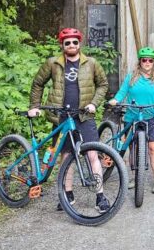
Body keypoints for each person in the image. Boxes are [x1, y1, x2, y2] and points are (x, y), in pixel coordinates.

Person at [28, 27, 110, 213]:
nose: (71, 45)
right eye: (67, 43)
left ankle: (100, 196)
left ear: (79, 43)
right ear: (62, 45)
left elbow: (103, 84)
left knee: (92, 154)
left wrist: (95, 104)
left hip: (84, 115)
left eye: (75, 42)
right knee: (66, 156)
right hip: (62, 117)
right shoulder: (52, 63)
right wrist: (35, 106)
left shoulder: (91, 63)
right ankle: (68, 194)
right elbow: (38, 83)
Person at [108, 46, 154, 193]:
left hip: (151, 116)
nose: (147, 63)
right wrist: (115, 100)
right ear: (140, 62)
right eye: (144, 60)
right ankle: (134, 177)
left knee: (153, 148)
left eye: (150, 60)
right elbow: (121, 93)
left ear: (153, 62)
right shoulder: (131, 76)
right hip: (132, 116)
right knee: (133, 148)